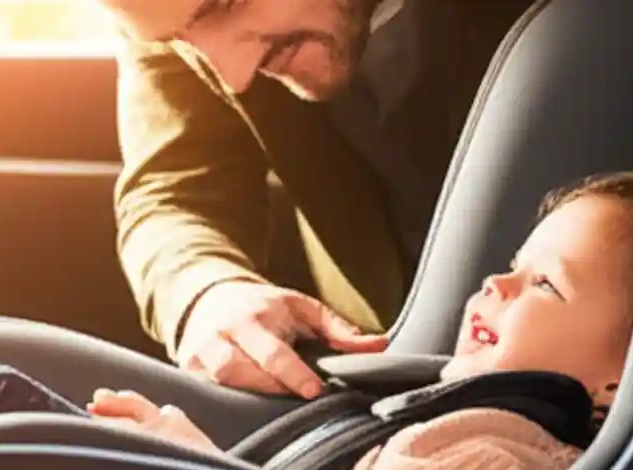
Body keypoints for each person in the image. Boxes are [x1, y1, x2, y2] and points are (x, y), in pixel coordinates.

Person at [0, 172, 633, 470]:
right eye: (511, 264)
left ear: (623, 376)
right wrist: (203, 465)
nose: (498, 283)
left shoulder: (513, 456)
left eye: (542, 283)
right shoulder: (468, 411)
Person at [99, 0, 531, 398]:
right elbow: (173, 188)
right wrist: (207, 290)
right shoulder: (170, 15)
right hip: (382, 379)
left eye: (227, 2)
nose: (233, 76)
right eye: (178, 41)